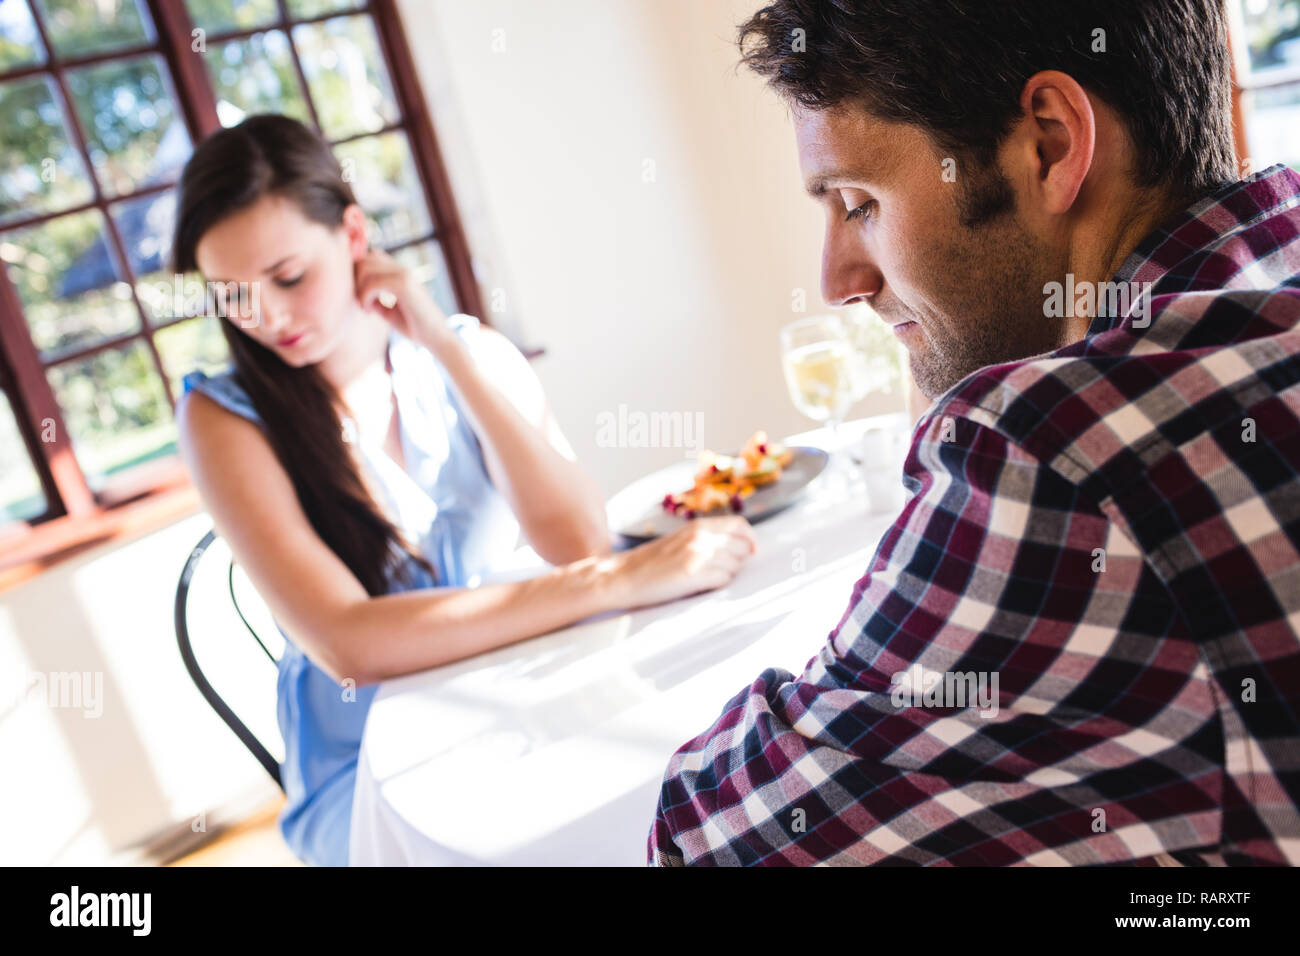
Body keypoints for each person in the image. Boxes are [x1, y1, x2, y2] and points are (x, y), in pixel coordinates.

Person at [649, 0, 1300, 865]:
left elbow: (712, 840)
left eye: (858, 202)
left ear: (1051, 143)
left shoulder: (1055, 455)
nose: (837, 278)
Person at [171, 114, 756, 867]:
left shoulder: (462, 353)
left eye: (289, 278)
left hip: (517, 685)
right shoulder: (221, 419)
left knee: (669, 789)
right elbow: (352, 644)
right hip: (370, 768)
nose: (269, 317)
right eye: (233, 295)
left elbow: (574, 541)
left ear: (354, 238)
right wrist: (617, 579)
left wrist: (446, 349)